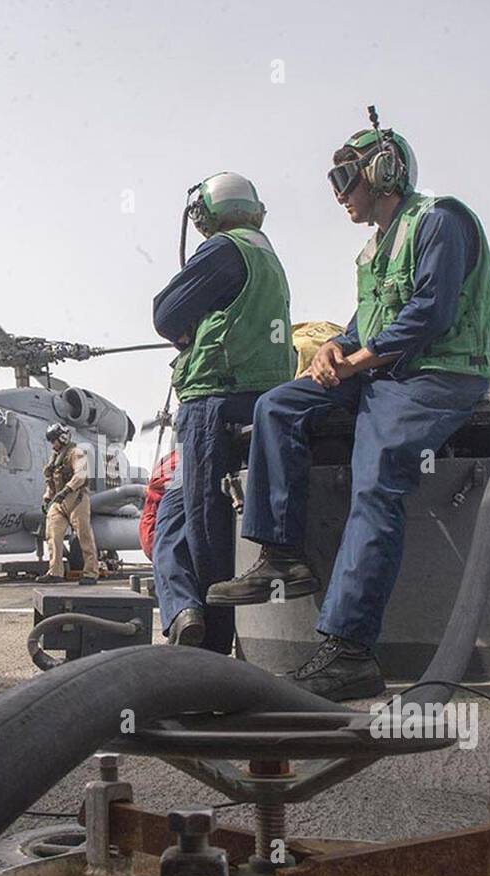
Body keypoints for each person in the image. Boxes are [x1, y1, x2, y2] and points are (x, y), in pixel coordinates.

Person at [206, 113, 490, 700]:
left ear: (385, 172)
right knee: (277, 407)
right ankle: (282, 554)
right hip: (382, 366)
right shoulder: (375, 249)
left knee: (377, 483)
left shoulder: (439, 220)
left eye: (348, 178)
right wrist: (338, 347)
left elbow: (430, 312)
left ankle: (349, 652)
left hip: (440, 375)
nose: (341, 194)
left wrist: (359, 358)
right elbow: (365, 320)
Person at [151, 172, 294, 650]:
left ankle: (211, 651)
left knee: (208, 528)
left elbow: (165, 313)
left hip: (215, 397)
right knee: (174, 510)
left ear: (204, 215)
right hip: (256, 398)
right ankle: (183, 609)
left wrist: (188, 331)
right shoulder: (265, 252)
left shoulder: (224, 249)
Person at [37, 422, 98, 584]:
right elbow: (51, 482)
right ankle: (55, 572)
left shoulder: (76, 453)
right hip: (58, 500)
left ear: (62, 438)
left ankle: (91, 572)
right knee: (53, 535)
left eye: (54, 440)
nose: (52, 444)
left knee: (83, 536)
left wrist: (66, 490)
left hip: (76, 498)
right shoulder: (55, 458)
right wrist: (46, 498)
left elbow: (80, 475)